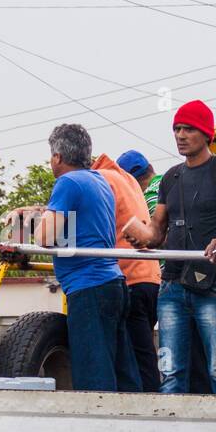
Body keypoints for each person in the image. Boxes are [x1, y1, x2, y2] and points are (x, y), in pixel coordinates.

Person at [124, 100, 216, 396]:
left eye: (189, 128)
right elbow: (157, 230)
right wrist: (140, 235)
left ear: (206, 134)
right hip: (172, 286)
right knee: (171, 372)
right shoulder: (171, 177)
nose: (181, 135)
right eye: (176, 128)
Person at [31, 123, 140, 392]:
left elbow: (44, 237)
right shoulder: (99, 181)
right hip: (114, 283)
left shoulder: (67, 182)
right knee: (121, 370)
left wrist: (35, 220)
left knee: (94, 374)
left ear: (57, 157)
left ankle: (98, 431)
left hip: (88, 287)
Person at [92, 152, 162, 392]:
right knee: (143, 352)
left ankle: (149, 411)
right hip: (152, 278)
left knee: (138, 359)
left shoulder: (101, 179)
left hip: (130, 277)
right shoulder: (130, 182)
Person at [117, 149, 161, 216]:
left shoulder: (149, 199)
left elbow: (161, 224)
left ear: (129, 184)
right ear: (151, 167)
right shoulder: (170, 179)